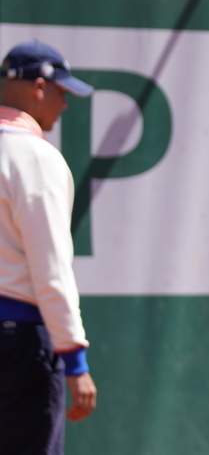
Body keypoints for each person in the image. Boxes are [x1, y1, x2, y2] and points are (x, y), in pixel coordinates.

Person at [0, 40, 98, 454]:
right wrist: (75, 362)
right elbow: (51, 268)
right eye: (61, 91)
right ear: (39, 88)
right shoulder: (36, 158)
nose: (65, 104)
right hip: (18, 344)